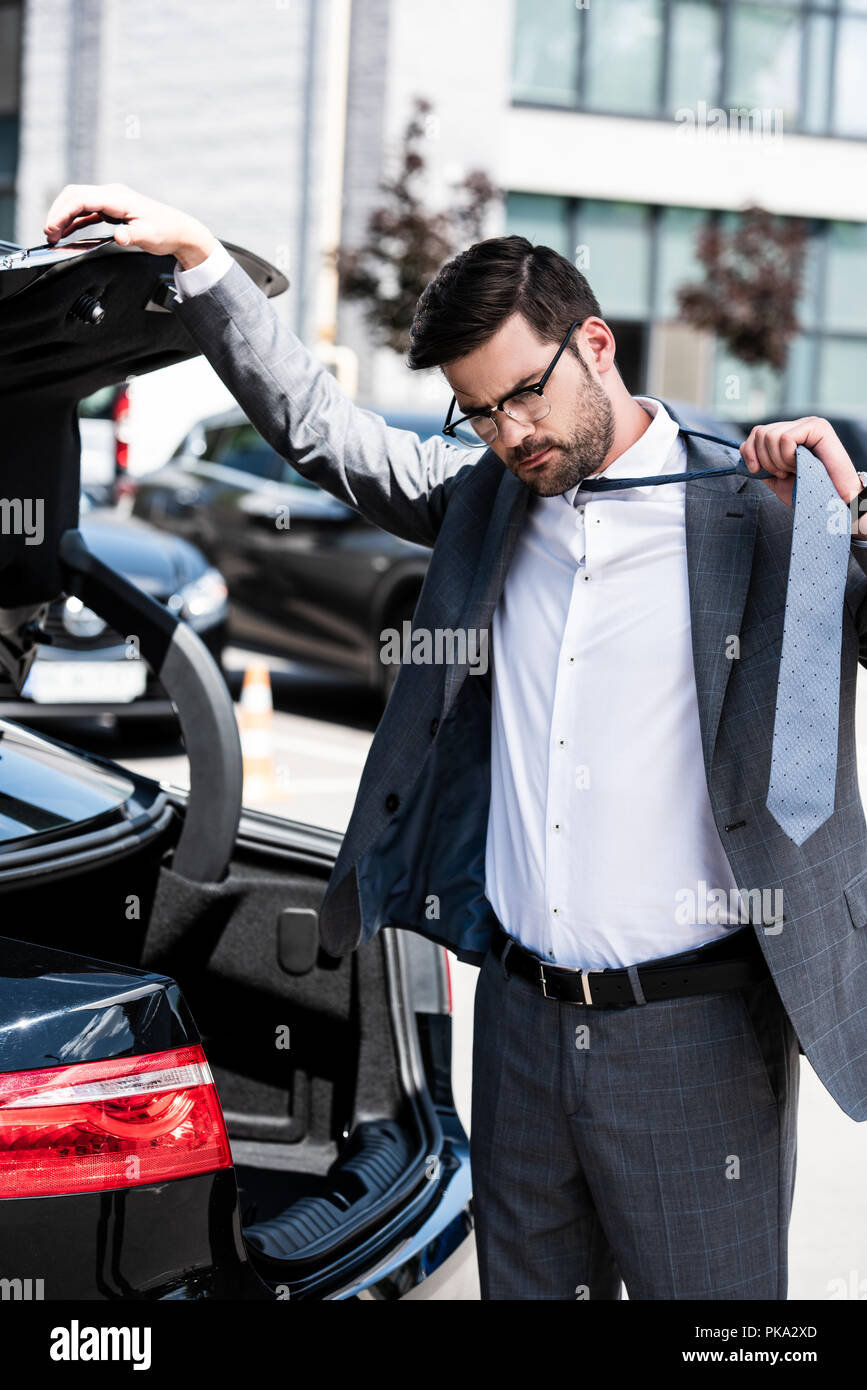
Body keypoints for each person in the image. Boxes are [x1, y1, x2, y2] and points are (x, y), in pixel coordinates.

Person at [44, 184, 867, 1299]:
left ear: (595, 343)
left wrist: (854, 515)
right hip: (520, 1030)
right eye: (478, 413)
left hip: (698, 1041)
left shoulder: (761, 505)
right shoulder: (488, 499)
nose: (511, 434)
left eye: (524, 395)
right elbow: (324, 432)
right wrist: (197, 257)